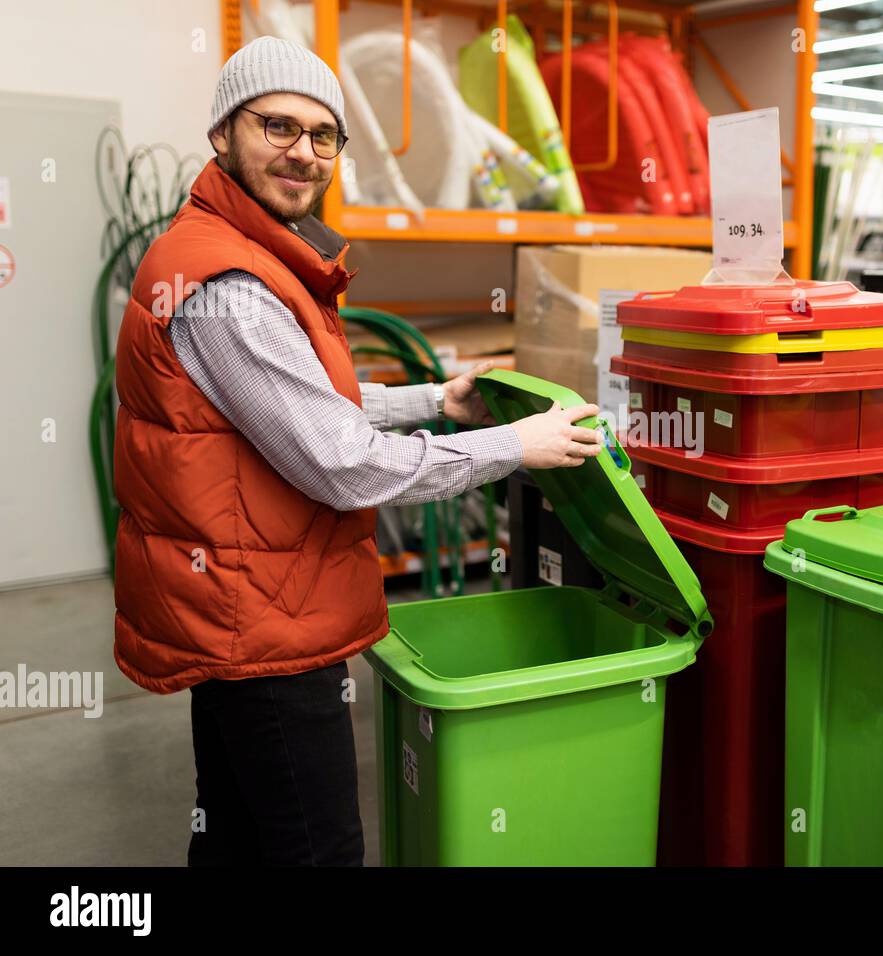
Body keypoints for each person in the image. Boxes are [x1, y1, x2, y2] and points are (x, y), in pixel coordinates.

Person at [112, 35, 602, 866]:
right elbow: (341, 463)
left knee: (234, 833)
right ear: (222, 136)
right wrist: (510, 446)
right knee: (317, 848)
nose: (303, 153)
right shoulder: (231, 288)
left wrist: (434, 400)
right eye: (277, 126)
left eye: (323, 135)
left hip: (240, 605)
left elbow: (288, 409)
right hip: (264, 620)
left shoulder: (242, 255)